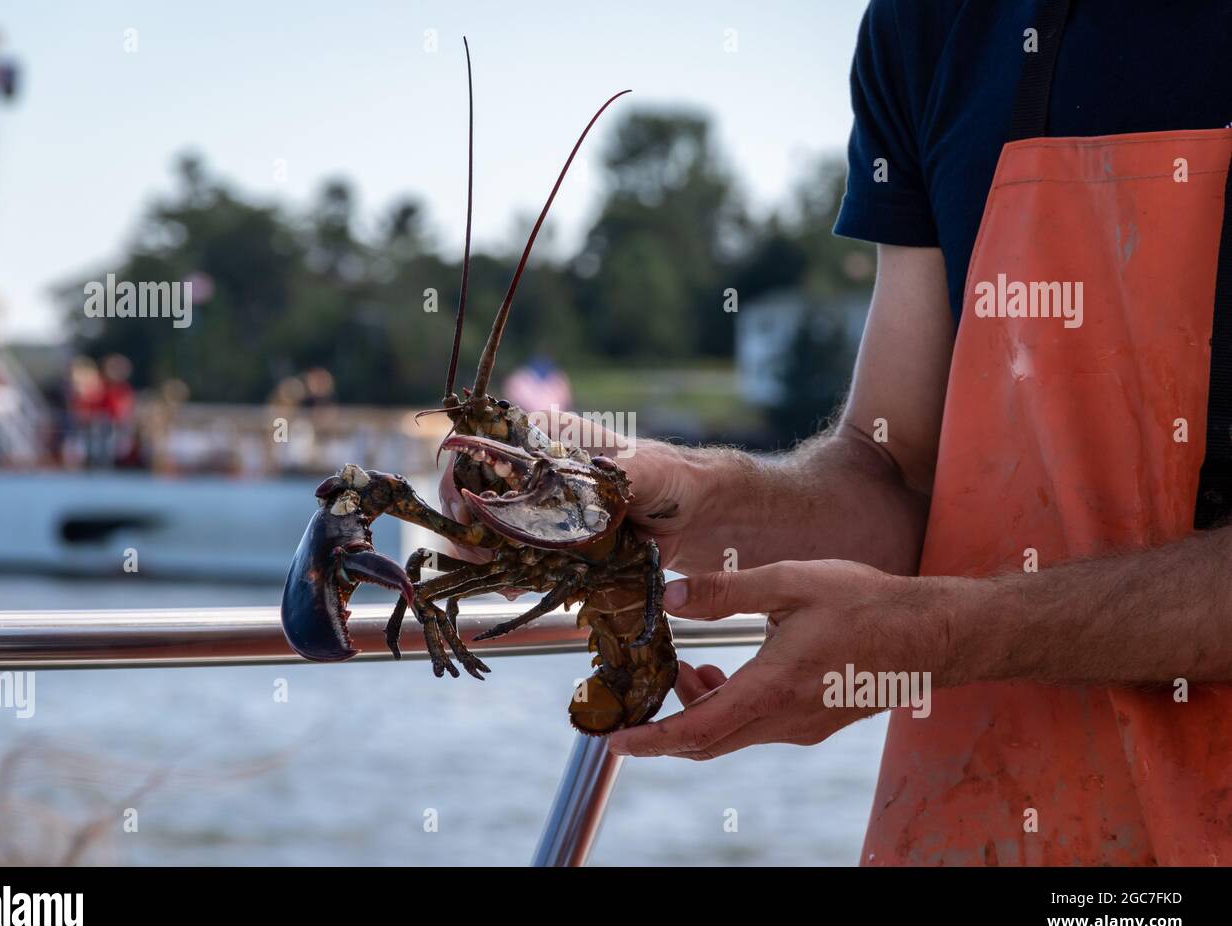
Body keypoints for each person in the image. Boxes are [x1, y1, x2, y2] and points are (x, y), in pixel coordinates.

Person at [446, 0, 1232, 866]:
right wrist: (696, 493)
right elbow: (895, 470)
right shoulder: (924, 27)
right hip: (986, 819)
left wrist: (938, 636)